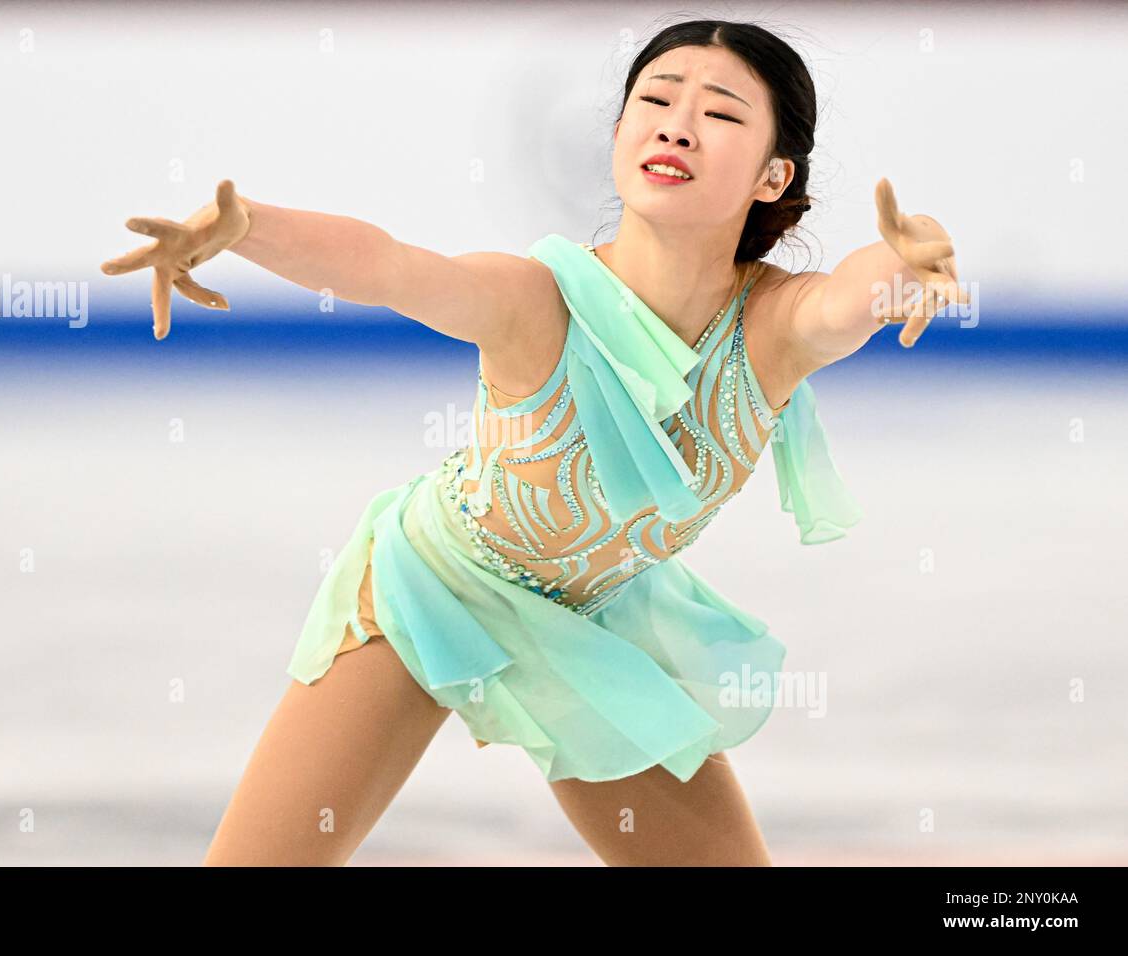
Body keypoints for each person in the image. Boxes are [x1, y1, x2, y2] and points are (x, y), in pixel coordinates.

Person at [101, 19, 966, 866]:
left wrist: (905, 268)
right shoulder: (536, 300)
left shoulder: (774, 326)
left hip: (593, 620)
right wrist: (247, 225)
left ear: (775, 174)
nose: (677, 123)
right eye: (656, 99)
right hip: (425, 589)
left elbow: (848, 298)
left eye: (723, 113)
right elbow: (391, 266)